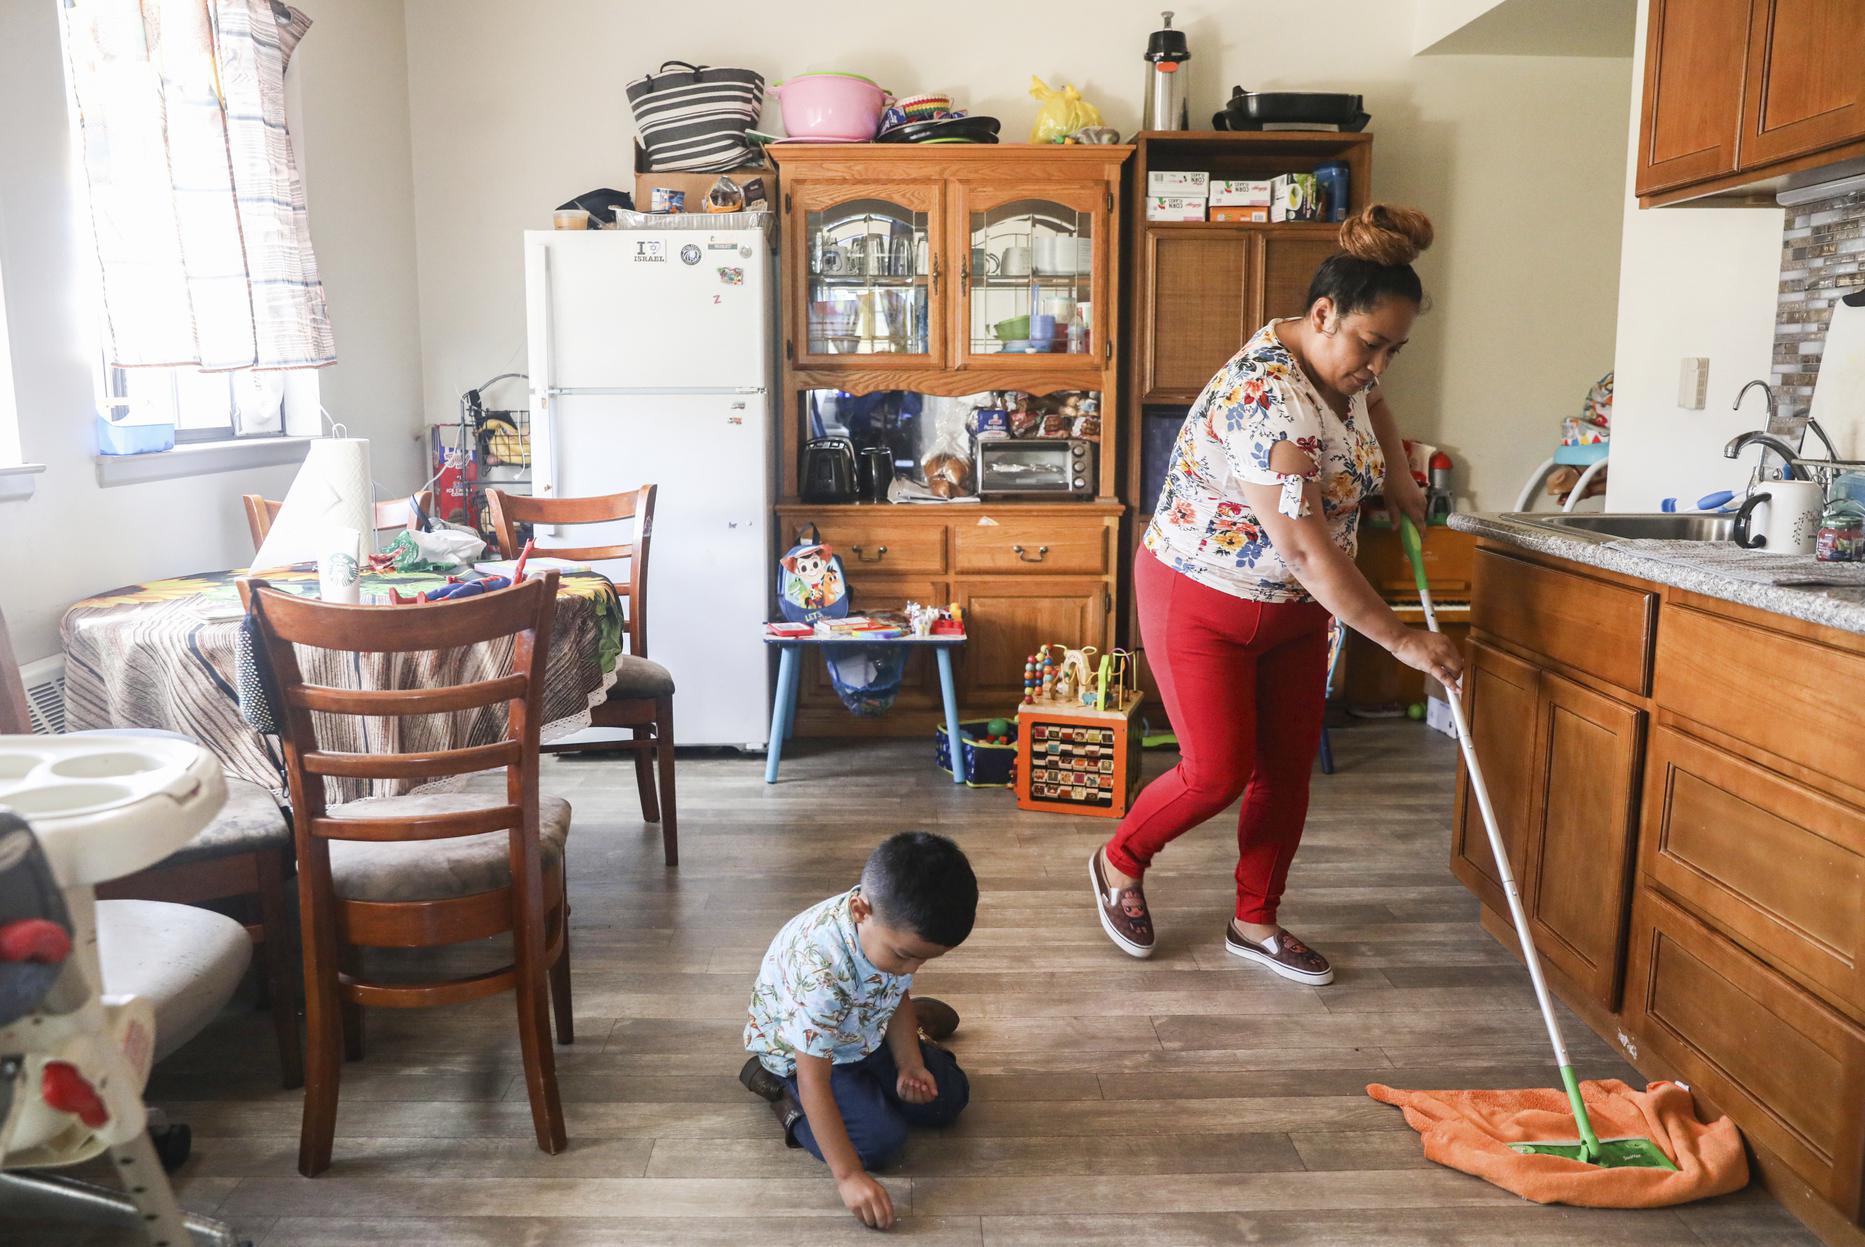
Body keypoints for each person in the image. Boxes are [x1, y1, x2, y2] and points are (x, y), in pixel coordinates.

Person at [1089, 204, 1465, 984]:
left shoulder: (1338, 366)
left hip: (1298, 612)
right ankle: (1119, 859)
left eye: (1394, 348)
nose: (1380, 365)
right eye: (1371, 344)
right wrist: (1401, 641)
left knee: (1287, 769)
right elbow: (1300, 548)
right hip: (1200, 596)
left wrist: (1397, 475)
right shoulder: (1268, 400)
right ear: (1322, 313)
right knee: (1214, 771)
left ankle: (1254, 920)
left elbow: (1373, 404)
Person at [739, 831, 977, 1230]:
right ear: (859, 909)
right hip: (807, 1058)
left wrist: (910, 1065)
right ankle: (778, 1091)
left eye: (924, 960)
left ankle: (911, 1030)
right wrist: (848, 1177)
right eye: (906, 956)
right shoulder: (820, 973)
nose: (913, 970)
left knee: (949, 1096)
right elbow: (817, 1080)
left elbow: (894, 985)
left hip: (862, 1027)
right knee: (876, 1144)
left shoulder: (885, 933)